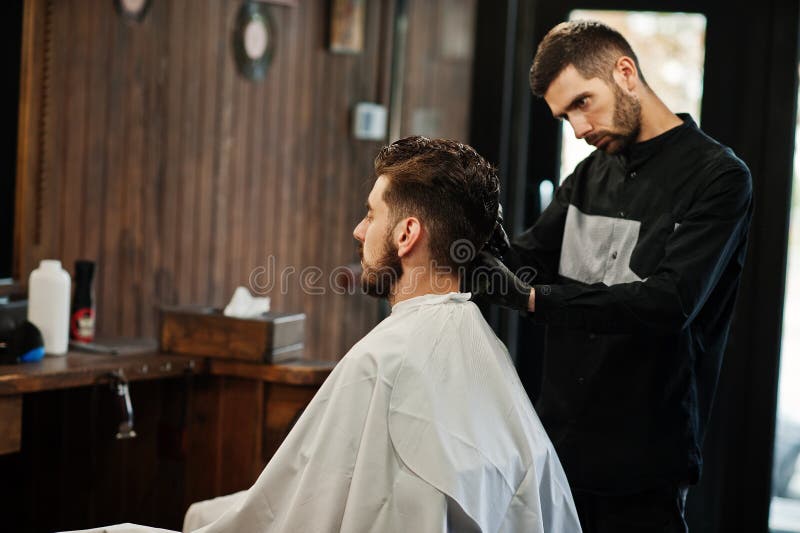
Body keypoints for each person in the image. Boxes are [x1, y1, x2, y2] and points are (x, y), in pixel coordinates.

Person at [182, 137, 581, 532]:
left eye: (371, 215)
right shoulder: (482, 348)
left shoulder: (380, 360)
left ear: (406, 234)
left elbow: (295, 514)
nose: (359, 230)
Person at [472, 20, 753, 532]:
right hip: (559, 445)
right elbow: (526, 256)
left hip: (643, 462)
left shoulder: (719, 178)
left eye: (582, 103)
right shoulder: (587, 175)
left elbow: (670, 302)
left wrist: (537, 301)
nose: (578, 129)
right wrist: (454, 252)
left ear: (625, 72)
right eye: (565, 117)